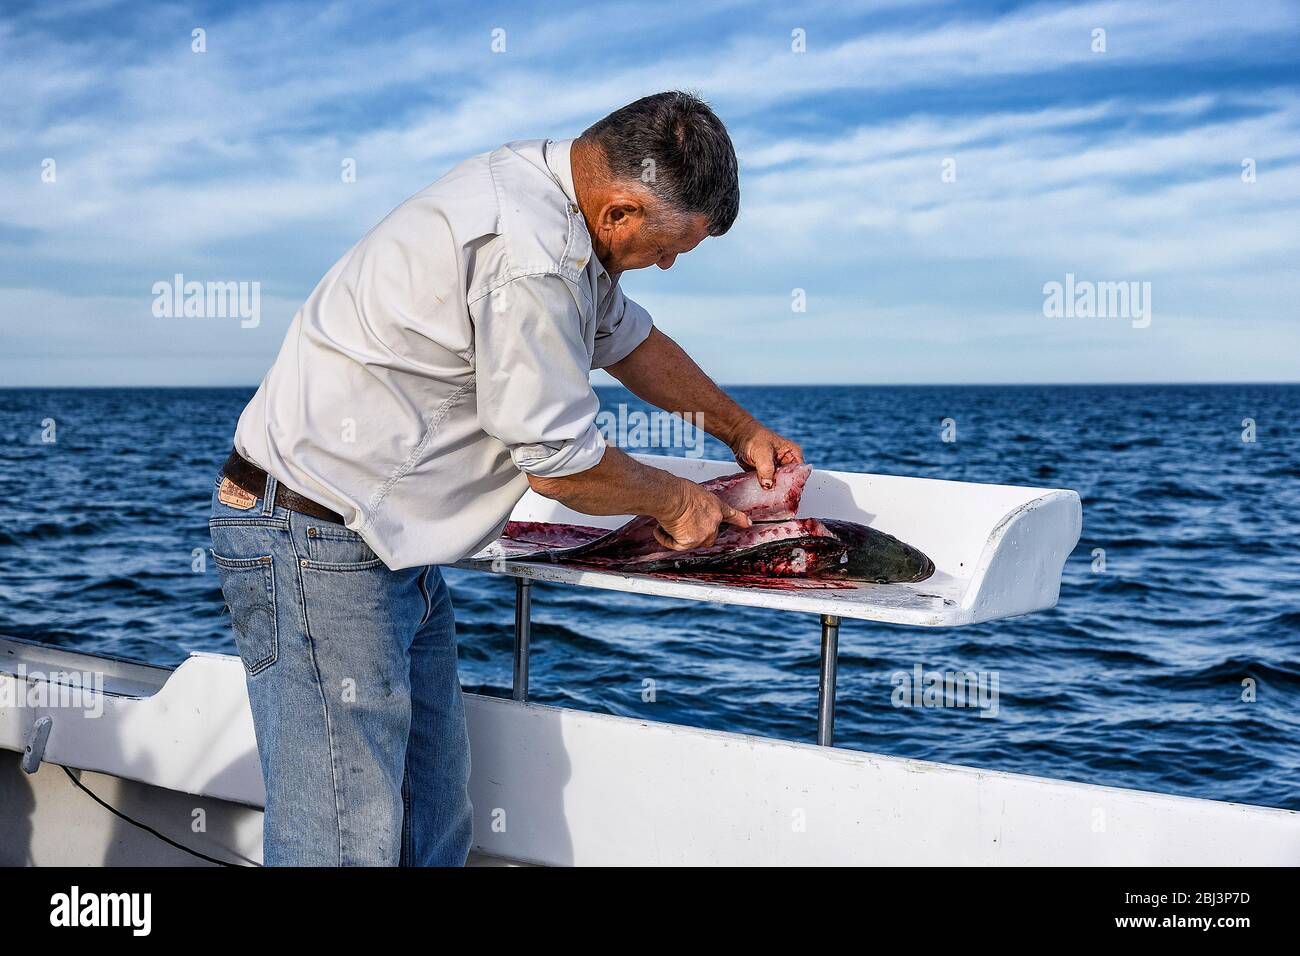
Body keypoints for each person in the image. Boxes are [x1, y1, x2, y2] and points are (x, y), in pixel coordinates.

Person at [210, 91, 804, 865]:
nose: (665, 265)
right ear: (621, 210)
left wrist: (741, 431)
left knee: (434, 828)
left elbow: (632, 343)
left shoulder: (558, 196)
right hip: (315, 535)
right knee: (342, 843)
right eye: (670, 248)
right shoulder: (534, 252)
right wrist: (678, 501)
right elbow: (558, 463)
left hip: (391, 546)